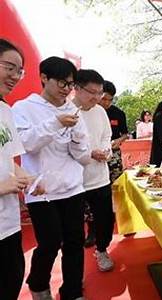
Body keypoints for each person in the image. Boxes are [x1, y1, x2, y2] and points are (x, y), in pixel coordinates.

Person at [12, 56, 90, 300]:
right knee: (49, 244)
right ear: (44, 78)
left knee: (75, 244)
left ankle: (73, 290)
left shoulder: (71, 109)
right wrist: (55, 123)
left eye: (71, 85)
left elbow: (82, 155)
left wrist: (77, 136)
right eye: (62, 84)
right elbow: (25, 144)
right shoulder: (23, 108)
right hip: (41, 190)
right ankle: (38, 283)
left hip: (72, 187)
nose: (67, 91)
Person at [0, 38, 43, 300]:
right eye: (9, 67)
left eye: (20, 70)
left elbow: (9, 159)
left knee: (12, 279)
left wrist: (30, 179)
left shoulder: (5, 109)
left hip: (8, 223)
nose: (15, 76)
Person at [72, 69, 115, 273]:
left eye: (100, 93)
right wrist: (90, 153)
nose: (97, 98)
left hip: (100, 177)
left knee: (105, 218)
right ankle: (73, 268)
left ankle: (102, 249)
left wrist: (106, 150)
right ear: (77, 88)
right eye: (93, 92)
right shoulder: (66, 111)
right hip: (74, 181)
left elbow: (107, 135)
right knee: (72, 228)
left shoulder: (100, 111)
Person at [99, 80, 128, 183]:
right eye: (104, 99)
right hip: (96, 153)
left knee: (117, 183)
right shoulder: (91, 111)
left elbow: (125, 134)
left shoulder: (118, 113)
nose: (106, 103)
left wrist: (119, 140)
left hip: (114, 153)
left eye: (110, 100)